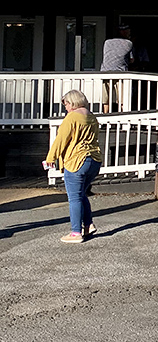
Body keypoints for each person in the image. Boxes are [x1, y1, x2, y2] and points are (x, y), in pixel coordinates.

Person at [44, 90, 102, 244]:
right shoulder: (91, 116)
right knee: (81, 194)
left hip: (76, 160)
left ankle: (76, 232)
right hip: (94, 160)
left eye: (67, 104)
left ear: (73, 102)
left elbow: (61, 139)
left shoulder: (72, 117)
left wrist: (51, 157)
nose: (66, 108)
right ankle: (88, 225)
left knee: (74, 198)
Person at [100, 24, 134, 113]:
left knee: (105, 98)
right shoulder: (128, 43)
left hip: (105, 72)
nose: (129, 33)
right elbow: (132, 60)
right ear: (123, 32)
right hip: (121, 73)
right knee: (122, 99)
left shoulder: (107, 42)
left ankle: (105, 116)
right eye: (128, 31)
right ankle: (123, 116)